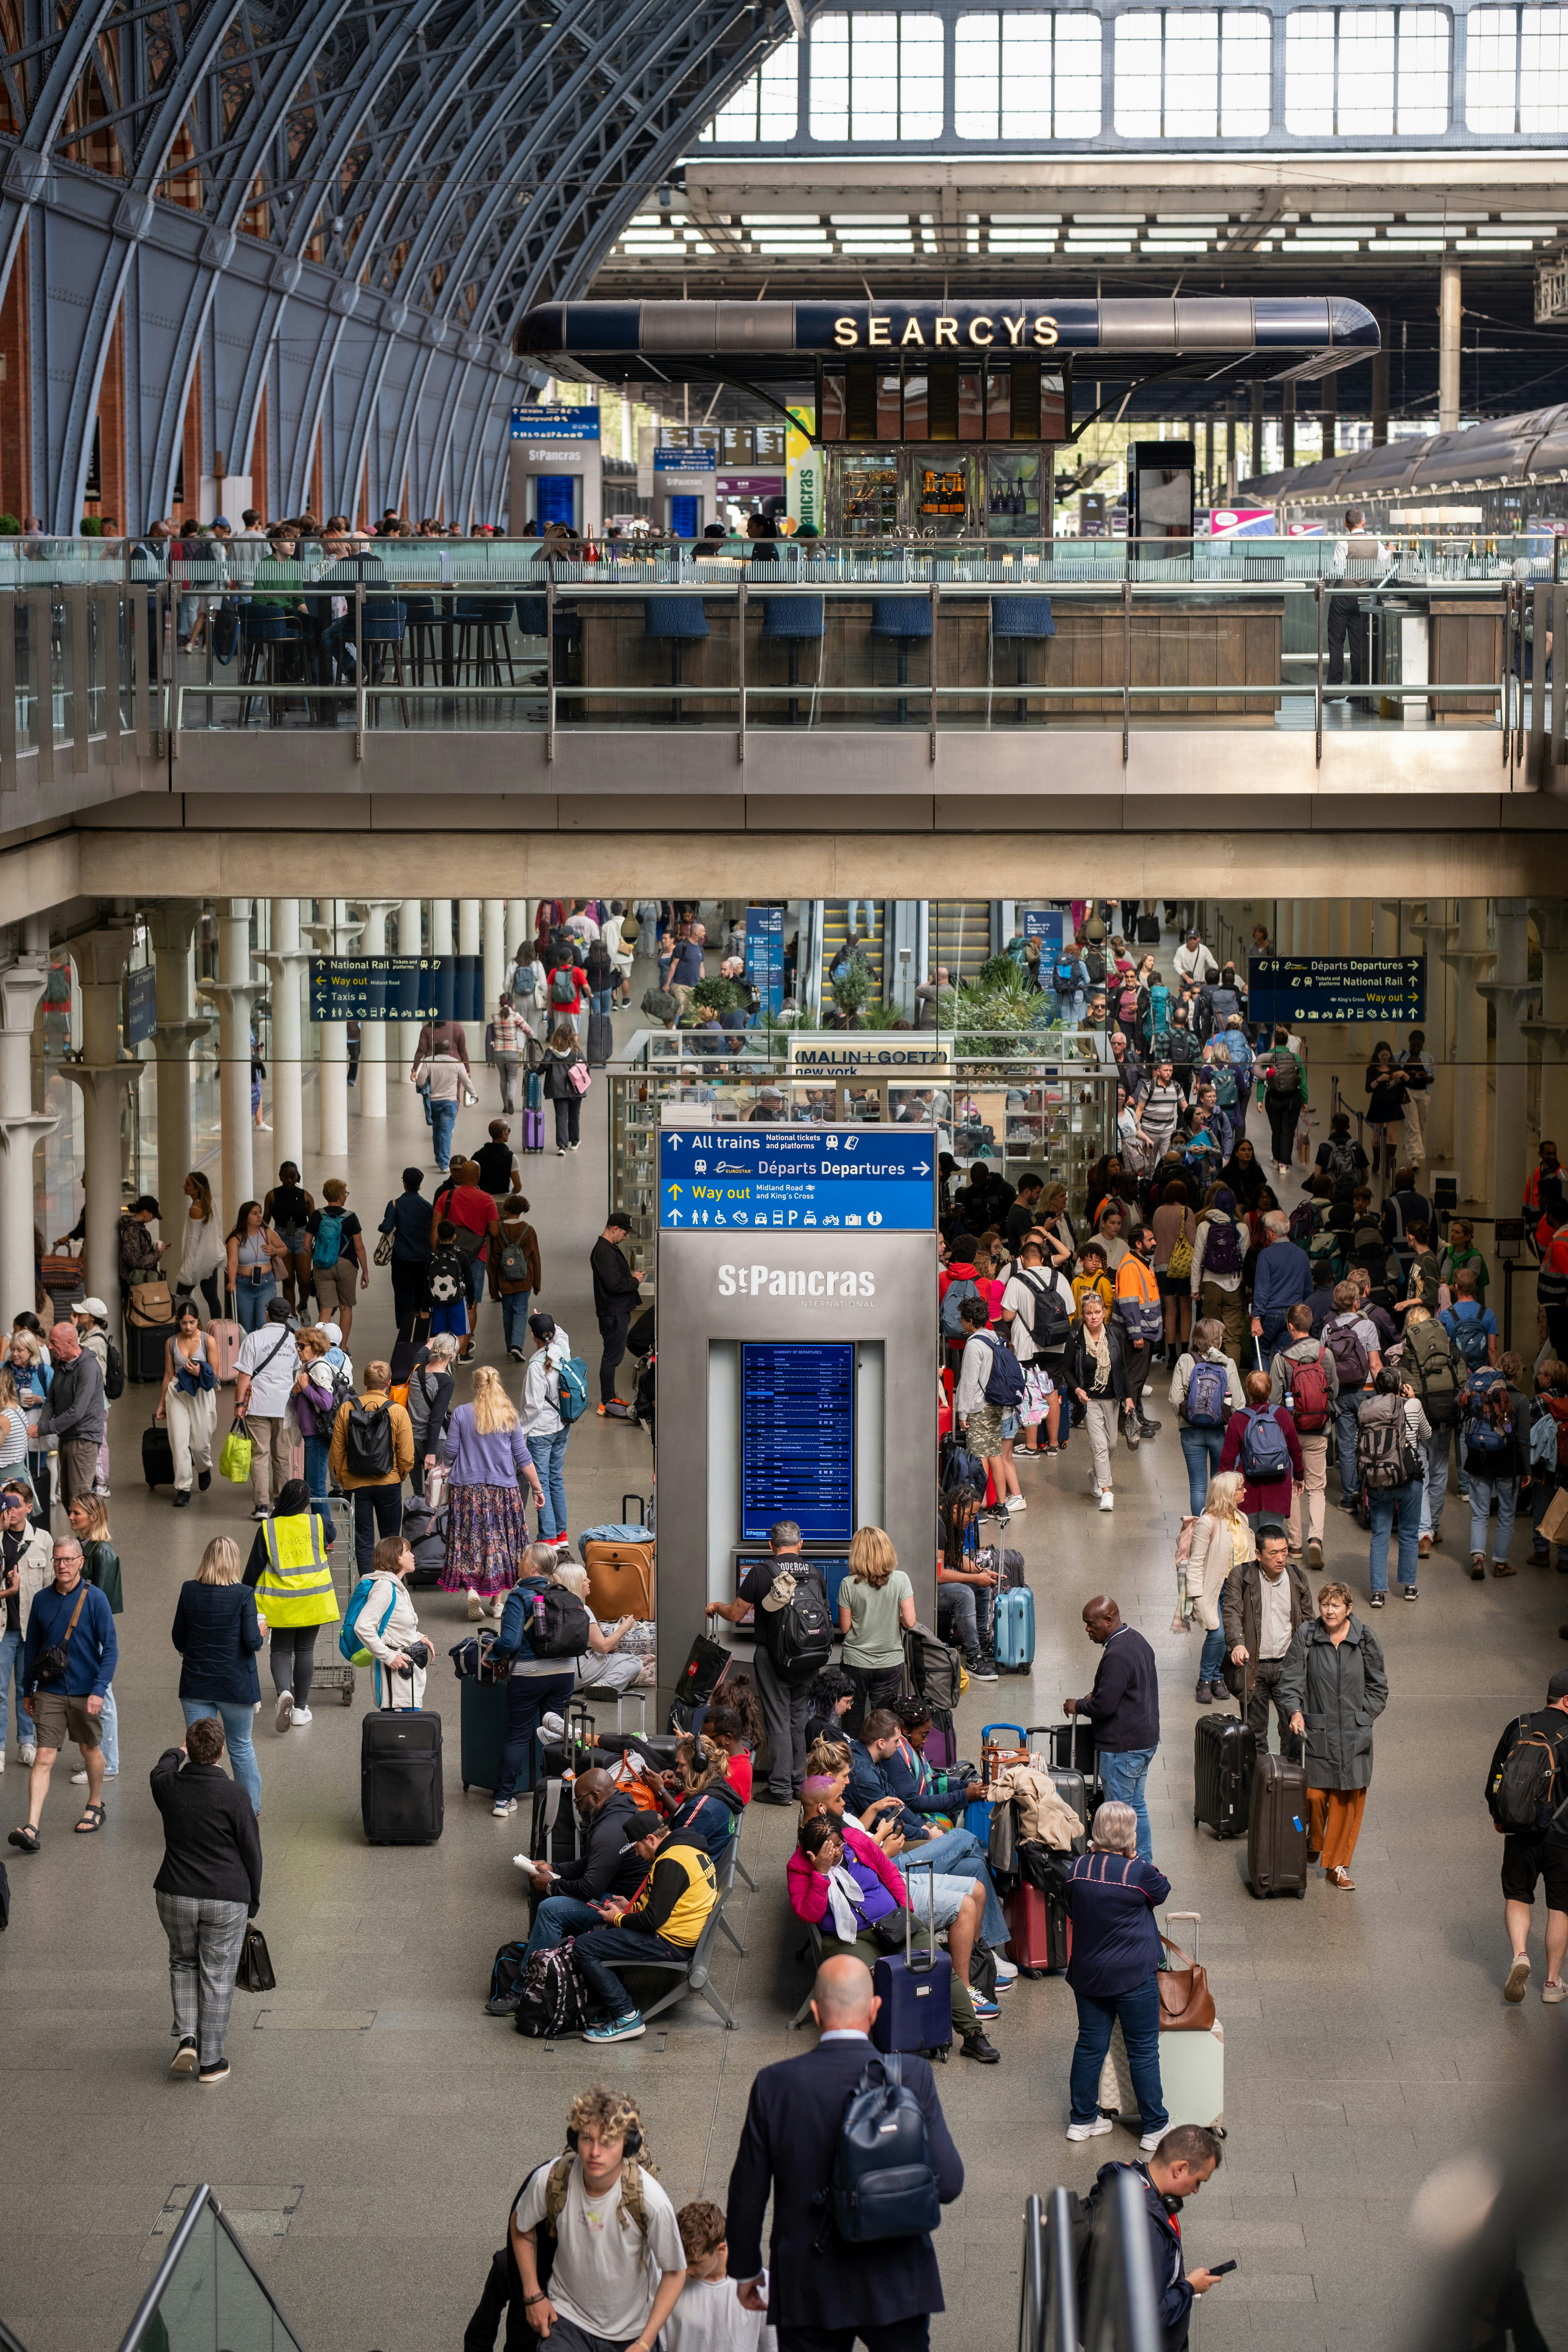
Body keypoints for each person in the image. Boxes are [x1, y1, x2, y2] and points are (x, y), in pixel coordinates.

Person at [726, 1954, 964, 2349]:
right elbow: (949, 2184)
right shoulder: (911, 2076)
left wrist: (746, 2270)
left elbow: (748, 2191)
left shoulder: (774, 2084)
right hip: (897, 2278)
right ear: (874, 2009)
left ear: (816, 2012)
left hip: (807, 2282)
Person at [787, 1810, 999, 2062]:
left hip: (892, 1921)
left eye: (839, 1846)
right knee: (863, 1977)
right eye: (828, 1851)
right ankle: (877, 2042)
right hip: (848, 1937)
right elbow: (809, 1914)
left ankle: (973, 2035)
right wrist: (821, 1875)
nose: (837, 1854)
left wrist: (905, 1910)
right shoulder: (798, 1867)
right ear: (812, 1854)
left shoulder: (855, 1840)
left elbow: (888, 1872)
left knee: (936, 1964)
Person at [509, 2087, 687, 2352]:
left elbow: (675, 2272)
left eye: (607, 2142)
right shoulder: (551, 2179)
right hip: (567, 2319)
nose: (594, 2152)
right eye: (587, 2139)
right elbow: (520, 2227)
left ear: (627, 2145)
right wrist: (533, 2296)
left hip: (630, 2332)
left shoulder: (651, 2200)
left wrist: (644, 2343)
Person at [149, 1713, 262, 2087]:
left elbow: (161, 1767)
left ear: (191, 1749)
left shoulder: (168, 1786)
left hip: (175, 1893)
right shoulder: (235, 1795)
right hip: (226, 1897)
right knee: (218, 1975)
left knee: (183, 1962)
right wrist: (254, 1900)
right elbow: (252, 1853)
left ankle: (188, 2039)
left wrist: (178, 1751)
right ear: (221, 1752)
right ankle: (212, 2063)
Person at [1062, 1798, 1170, 2148]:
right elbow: (1162, 1891)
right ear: (1129, 1836)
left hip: (1088, 1974)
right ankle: (1154, 2127)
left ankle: (1081, 2120)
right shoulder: (1136, 1872)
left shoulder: (1076, 1869)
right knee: (1142, 2049)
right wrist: (1134, 1856)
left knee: (1090, 2045)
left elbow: (1071, 1906)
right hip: (1134, 1974)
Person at [566, 1816, 719, 2044]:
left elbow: (652, 1921)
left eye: (636, 1847)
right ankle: (614, 2003)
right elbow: (667, 1902)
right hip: (681, 1932)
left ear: (649, 1839)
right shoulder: (687, 1849)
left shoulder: (671, 1861)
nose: (636, 1854)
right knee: (594, 1928)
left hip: (671, 1942)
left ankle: (625, 2017)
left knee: (584, 1946)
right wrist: (630, 1907)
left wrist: (619, 1919)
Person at [8, 1531, 117, 1848]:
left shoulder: (95, 1599)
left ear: (80, 1562)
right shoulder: (42, 1599)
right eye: (58, 1560)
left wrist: (99, 1690)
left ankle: (95, 1804)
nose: (62, 1566)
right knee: (44, 1755)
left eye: (69, 1559)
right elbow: (33, 1650)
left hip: (86, 1691)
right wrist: (29, 1690)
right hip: (50, 1690)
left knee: (89, 1750)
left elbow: (110, 1649)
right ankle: (31, 1826)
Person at [707, 1518, 826, 1806]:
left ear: (771, 1545)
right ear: (801, 1544)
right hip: (811, 1656)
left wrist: (715, 1607)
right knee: (799, 1720)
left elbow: (736, 1614)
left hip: (773, 1657)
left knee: (777, 1721)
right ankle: (799, 1783)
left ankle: (780, 1789)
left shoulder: (762, 1571)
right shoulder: (815, 1572)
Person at [1278, 1578, 1388, 1889]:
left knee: (1344, 1802)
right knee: (1312, 1796)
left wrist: (1363, 1717)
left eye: (1336, 1605)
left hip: (1354, 1736)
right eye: (1325, 1604)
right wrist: (1295, 1711)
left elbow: (1378, 1686)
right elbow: (1290, 1681)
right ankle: (1314, 1841)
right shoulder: (1307, 1636)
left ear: (1348, 1609)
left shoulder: (1365, 1639)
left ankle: (1337, 1866)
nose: (1329, 1610)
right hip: (1318, 1733)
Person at [1082, 2131, 1227, 2350]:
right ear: (1180, 2169)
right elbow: (1151, 2314)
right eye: (1198, 2181)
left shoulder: (1128, 2179)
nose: (1197, 2191)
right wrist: (1189, 2287)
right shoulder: (1147, 2226)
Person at [508, 1770, 650, 1965]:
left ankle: (527, 1984)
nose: (577, 1807)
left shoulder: (608, 1831)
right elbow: (594, 1860)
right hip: (629, 1893)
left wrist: (553, 1885)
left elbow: (590, 1889)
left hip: (623, 1903)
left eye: (579, 1801)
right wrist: (555, 1867)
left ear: (595, 1797)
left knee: (550, 1910)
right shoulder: (624, 1808)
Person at [1487, 1668, 1568, 2006]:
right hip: (1561, 1837)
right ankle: (1552, 1983)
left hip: (1519, 1831)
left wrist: (1500, 1817)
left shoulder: (1517, 1725)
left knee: (1518, 1897)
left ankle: (1520, 1954)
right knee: (1559, 1909)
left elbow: (1494, 1778)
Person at [439, 1363, 545, 1615]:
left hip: (467, 1490)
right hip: (503, 1491)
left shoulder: (462, 1414)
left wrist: (444, 1463)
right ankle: (497, 1603)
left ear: (476, 1386)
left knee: (469, 1541)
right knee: (499, 1543)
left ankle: (473, 1590)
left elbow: (451, 1453)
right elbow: (523, 1457)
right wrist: (538, 1488)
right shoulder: (509, 1416)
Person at [171, 1534, 264, 1810]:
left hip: (196, 1685)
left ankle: (200, 1808)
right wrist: (261, 1632)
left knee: (199, 1753)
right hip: (236, 1686)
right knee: (241, 1746)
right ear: (233, 1563)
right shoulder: (244, 1594)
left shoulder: (189, 1590)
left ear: (206, 1560)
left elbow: (179, 1638)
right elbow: (252, 1642)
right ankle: (250, 1808)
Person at [489, 1542, 583, 1812]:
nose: (519, 1561)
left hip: (530, 1674)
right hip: (564, 1672)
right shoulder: (564, 1593)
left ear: (532, 1567)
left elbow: (509, 1642)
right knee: (556, 1735)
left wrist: (491, 1650)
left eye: (523, 1558)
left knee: (518, 1735)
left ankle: (504, 1799)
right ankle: (558, 1795)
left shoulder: (520, 1596)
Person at [1065, 1595, 1160, 1862]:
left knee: (1117, 1815)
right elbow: (1126, 1689)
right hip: (1145, 1741)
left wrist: (1079, 1706)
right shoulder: (1137, 1640)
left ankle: (1122, 1873)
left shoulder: (1116, 1654)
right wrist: (1097, 1695)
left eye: (1090, 1624)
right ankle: (1144, 1864)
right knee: (1136, 1808)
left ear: (1109, 1620)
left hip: (1123, 1748)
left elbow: (1104, 1707)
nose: (1087, 1630)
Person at [244, 1476, 339, 1731]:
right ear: (306, 1503)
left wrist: (241, 1597)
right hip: (314, 1600)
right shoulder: (319, 1523)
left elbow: (253, 1569)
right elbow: (332, 1534)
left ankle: (284, 1693)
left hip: (281, 1603)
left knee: (281, 1651)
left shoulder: (268, 1529)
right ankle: (300, 1709)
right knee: (306, 1651)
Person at [1223, 1524, 1312, 1759]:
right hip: (1254, 1666)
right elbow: (1232, 1612)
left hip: (1287, 1667)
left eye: (1284, 1551)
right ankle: (1260, 1786)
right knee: (1255, 1733)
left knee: (1291, 1728)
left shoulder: (1298, 1578)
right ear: (1258, 1555)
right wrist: (1237, 1642)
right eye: (1274, 1554)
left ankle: (1289, 1782)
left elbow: (1309, 1622)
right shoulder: (1241, 1576)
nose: (1281, 1558)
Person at [328, 1357, 413, 1576]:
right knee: (392, 1539)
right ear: (389, 1383)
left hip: (356, 1484)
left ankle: (368, 1586)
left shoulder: (347, 1408)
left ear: (365, 1381)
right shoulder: (398, 1411)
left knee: (363, 1541)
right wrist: (399, 1475)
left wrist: (343, 1479)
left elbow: (337, 1452)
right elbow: (406, 1456)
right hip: (390, 1482)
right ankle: (393, 1587)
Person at [1356, 1363, 1430, 1605]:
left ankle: (1377, 1592)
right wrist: (1414, 1400)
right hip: (1408, 1477)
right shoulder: (1411, 1405)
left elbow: (1358, 1443)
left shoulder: (1367, 1409)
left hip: (1377, 1479)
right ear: (1400, 1385)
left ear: (1378, 1387)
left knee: (1380, 1535)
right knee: (1409, 1533)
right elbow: (1427, 1434)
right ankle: (1409, 1587)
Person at [1461, 1348, 1533, 1582]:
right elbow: (1522, 1439)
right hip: (1507, 1463)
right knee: (1505, 1514)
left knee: (1480, 1513)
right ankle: (1500, 1564)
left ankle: (1478, 1560)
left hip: (1478, 1459)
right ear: (1518, 1374)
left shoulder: (1481, 1393)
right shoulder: (1520, 1400)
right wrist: (1526, 1470)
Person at [838, 1524, 915, 1735]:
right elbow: (910, 1622)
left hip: (856, 1663)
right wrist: (893, 1617)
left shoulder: (848, 1584)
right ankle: (881, 1766)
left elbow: (845, 1628)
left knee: (852, 1720)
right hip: (890, 1663)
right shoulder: (901, 1579)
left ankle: (853, 1766)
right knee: (883, 1724)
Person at [1066, 1287, 1136, 1513]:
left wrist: (1128, 1397)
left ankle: (1095, 1474)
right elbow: (1066, 1370)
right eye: (1089, 1313)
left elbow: (1123, 1368)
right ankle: (1107, 1492)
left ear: (1105, 1313)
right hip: (1090, 1401)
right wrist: (1077, 1389)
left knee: (1111, 1445)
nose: (1094, 1317)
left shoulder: (1114, 1335)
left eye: (1097, 1312)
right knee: (1099, 1447)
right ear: (1083, 1315)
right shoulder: (1076, 1339)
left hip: (1112, 1399)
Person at [232, 1298, 301, 1519]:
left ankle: (261, 1507)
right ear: (288, 1317)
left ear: (267, 1314)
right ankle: (281, 1506)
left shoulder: (254, 1339)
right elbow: (298, 1374)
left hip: (258, 1406)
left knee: (260, 1455)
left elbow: (244, 1376)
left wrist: (239, 1404)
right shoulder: (294, 1342)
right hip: (285, 1407)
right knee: (282, 1456)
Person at [1168, 1317, 1244, 1516]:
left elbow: (1175, 1399)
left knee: (1198, 1486)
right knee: (1221, 1483)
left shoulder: (1185, 1360)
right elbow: (1239, 1405)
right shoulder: (1227, 1364)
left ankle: (1200, 1531)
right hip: (1219, 1432)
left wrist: (1187, 1417)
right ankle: (1221, 1531)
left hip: (1190, 1432)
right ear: (1217, 1341)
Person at [0, 1477, 51, 1768]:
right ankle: (1, 1747)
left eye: (16, 1505)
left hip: (31, 1631)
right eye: (7, 1504)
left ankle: (27, 1742)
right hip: (4, 1629)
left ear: (29, 1508)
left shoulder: (42, 1540)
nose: (11, 1509)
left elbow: (49, 1588)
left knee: (27, 1689)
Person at [347, 1532, 430, 1710]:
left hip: (405, 1673)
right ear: (399, 1559)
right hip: (396, 1677)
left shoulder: (397, 1586)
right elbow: (363, 1626)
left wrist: (418, 1636)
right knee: (401, 1728)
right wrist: (389, 1657)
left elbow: (394, 1624)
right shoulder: (385, 1588)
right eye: (409, 1552)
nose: (413, 1556)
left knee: (407, 1726)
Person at [1218, 1367, 1303, 1529]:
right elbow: (1295, 1451)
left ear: (1248, 1392)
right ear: (1270, 1391)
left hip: (1247, 1489)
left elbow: (1227, 1460)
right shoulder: (1283, 1415)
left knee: (1251, 1539)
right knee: (1271, 1537)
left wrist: (1223, 1490)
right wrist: (1299, 1477)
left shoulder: (1239, 1419)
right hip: (1278, 1489)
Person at [35, 1318, 105, 1513]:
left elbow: (77, 1413)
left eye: (54, 1342)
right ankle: (81, 1542)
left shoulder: (89, 1368)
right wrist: (42, 1425)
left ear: (69, 1343)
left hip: (83, 1440)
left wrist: (42, 1429)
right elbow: (51, 1401)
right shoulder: (62, 1365)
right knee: (67, 1498)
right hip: (66, 1437)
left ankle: (92, 1542)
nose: (50, 1347)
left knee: (80, 1501)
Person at [1324, 1278, 1382, 1512]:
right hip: (1366, 1392)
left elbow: (1325, 1367)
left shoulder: (1328, 1328)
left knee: (1346, 1446)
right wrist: (1386, 1394)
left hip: (1340, 1395)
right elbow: (1375, 1365)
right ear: (1357, 1303)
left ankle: (1350, 1498)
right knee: (1371, 1443)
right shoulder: (1367, 1327)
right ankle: (1373, 1496)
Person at [156, 1299, 217, 1508]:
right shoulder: (171, 1342)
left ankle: (203, 1468)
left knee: (200, 1445)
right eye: (184, 1323)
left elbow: (215, 1374)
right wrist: (162, 1403)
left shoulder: (208, 1341)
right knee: (179, 1442)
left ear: (198, 1320)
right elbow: (168, 1374)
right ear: (179, 1322)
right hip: (177, 1392)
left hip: (201, 1393)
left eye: (192, 1322)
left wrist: (201, 1372)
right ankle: (183, 1488)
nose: (188, 1327)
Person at [520, 1311, 572, 1547]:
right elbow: (561, 1333)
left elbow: (533, 1407)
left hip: (541, 1432)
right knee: (556, 1479)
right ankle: (561, 1535)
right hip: (563, 1425)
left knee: (540, 1484)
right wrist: (546, 1319)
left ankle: (548, 1537)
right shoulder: (562, 1347)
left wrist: (520, 1431)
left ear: (533, 1337)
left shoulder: (535, 1367)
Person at [1114, 1223, 1164, 1443]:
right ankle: (1129, 1424)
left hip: (1145, 1331)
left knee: (1140, 1378)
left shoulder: (1142, 1263)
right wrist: (1136, 1336)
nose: (1154, 1243)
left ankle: (1139, 1417)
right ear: (1138, 1244)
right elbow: (1129, 1305)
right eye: (1150, 1239)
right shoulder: (1130, 1267)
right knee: (1133, 1381)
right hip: (1136, 1334)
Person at [1188, 1187, 1247, 1363]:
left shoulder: (1205, 1227)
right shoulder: (1242, 1228)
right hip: (1235, 1287)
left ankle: (1211, 1379)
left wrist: (1195, 1288)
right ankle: (1232, 1383)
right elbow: (1244, 1261)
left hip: (1211, 1284)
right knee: (1233, 1338)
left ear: (1214, 1203)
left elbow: (1197, 1260)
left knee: (1211, 1337)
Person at [305, 1178, 368, 1342]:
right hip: (347, 1265)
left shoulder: (317, 1216)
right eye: (345, 1193)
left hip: (323, 1265)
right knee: (346, 1308)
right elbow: (359, 1248)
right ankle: (343, 1348)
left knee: (326, 1309)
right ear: (341, 1196)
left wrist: (319, 1259)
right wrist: (365, 1272)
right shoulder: (351, 1217)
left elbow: (306, 1245)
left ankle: (322, 1349)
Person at [376, 1167, 432, 1339]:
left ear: (404, 1183)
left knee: (403, 1297)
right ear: (420, 1185)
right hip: (424, 1259)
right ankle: (421, 1333)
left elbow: (386, 1228)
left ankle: (406, 1332)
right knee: (421, 1296)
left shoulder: (396, 1204)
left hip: (402, 1258)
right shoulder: (428, 1206)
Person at [1249, 1210, 1311, 1360]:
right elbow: (1308, 1290)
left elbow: (1262, 1290)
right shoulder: (1302, 1254)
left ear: (1272, 1232)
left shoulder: (1266, 1255)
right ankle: (1281, 1384)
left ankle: (1264, 1384)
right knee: (1284, 1357)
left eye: (1266, 1231)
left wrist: (1256, 1318)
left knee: (1260, 1354)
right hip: (1293, 1314)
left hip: (1270, 1314)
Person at [411, 1034, 474, 1173]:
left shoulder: (429, 1061)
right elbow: (466, 1081)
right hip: (450, 1103)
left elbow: (421, 1082)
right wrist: (474, 1095)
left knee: (437, 1130)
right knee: (446, 1132)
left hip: (434, 1102)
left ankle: (440, 1158)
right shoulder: (456, 1062)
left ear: (438, 1049)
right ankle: (444, 1163)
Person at [224, 1198, 289, 1334]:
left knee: (263, 1322)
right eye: (254, 1214)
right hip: (243, 1285)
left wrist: (275, 1251)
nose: (259, 1216)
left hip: (266, 1283)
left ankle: (265, 1354)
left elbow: (284, 1249)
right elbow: (233, 1262)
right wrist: (231, 1282)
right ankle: (250, 1354)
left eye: (260, 1212)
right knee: (246, 1326)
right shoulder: (235, 1239)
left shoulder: (267, 1233)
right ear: (245, 1217)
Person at [492, 1192, 542, 1362]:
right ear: (523, 1210)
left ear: (506, 1209)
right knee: (521, 1311)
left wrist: (493, 1289)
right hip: (524, 1279)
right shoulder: (529, 1230)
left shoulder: (498, 1230)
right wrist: (537, 1284)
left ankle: (509, 1346)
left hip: (504, 1279)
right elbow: (535, 1258)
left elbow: (493, 1260)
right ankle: (517, 1345)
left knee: (507, 1312)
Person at [176, 1169, 227, 1321]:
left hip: (197, 1260)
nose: (184, 1187)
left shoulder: (195, 1210)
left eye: (188, 1184)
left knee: (181, 1298)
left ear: (197, 1188)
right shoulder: (212, 1204)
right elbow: (218, 1232)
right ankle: (218, 1329)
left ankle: (183, 1329)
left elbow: (193, 1241)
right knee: (212, 1298)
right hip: (210, 1259)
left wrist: (188, 1266)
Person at [1259, 1029, 1305, 1178]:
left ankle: (1277, 1159)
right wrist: (1305, 1100)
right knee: (1288, 1131)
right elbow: (1303, 1081)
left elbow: (1262, 1078)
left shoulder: (1268, 1057)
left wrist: (1260, 1099)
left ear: (1274, 1041)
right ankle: (1285, 1165)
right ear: (1287, 1042)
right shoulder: (1296, 1057)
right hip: (1293, 1099)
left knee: (1277, 1130)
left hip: (1273, 1098)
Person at [541, 1022, 587, 1153]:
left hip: (558, 1089)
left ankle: (562, 1146)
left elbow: (545, 1065)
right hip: (576, 1089)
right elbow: (585, 1066)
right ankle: (575, 1141)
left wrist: (536, 1073)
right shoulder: (576, 1051)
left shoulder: (551, 1051)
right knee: (574, 1115)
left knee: (561, 1116)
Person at [489, 1001, 533, 1116]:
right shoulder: (515, 1016)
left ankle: (505, 1105)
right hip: (513, 1051)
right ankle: (511, 1097)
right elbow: (529, 1030)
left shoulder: (495, 1015)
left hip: (498, 1051)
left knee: (503, 1078)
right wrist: (530, 1035)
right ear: (511, 1004)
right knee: (513, 1077)